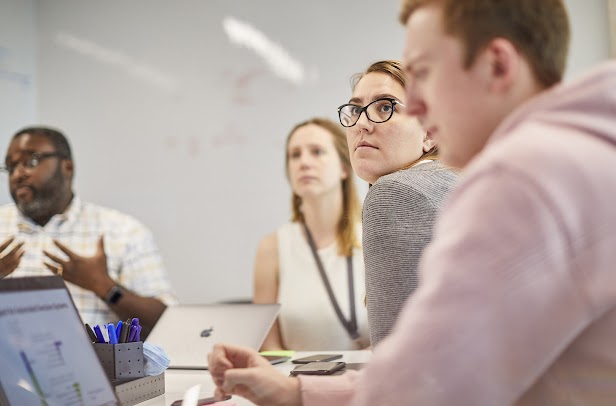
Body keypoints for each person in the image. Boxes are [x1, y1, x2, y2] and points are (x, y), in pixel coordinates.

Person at [208, 0, 616, 405]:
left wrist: (297, 395)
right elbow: (442, 365)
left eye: (425, 73)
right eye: (355, 109)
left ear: (497, 65)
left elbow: (418, 391)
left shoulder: (499, 182)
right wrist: (295, 389)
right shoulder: (584, 154)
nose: (419, 104)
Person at [0, 126, 177, 337]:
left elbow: (168, 322)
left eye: (31, 161)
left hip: (95, 368)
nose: (18, 174)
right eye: (11, 166)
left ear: (67, 166)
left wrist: (105, 287)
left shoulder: (122, 231)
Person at [341, 59, 458, 346]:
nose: (362, 124)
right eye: (356, 110)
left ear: (430, 133)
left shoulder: (394, 194)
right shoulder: (454, 183)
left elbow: (395, 367)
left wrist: (299, 391)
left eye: (385, 106)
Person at [253, 117, 370, 351]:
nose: (304, 162)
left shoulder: (373, 239)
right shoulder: (272, 248)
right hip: (295, 383)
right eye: (295, 155)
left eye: (317, 152)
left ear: (344, 168)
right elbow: (269, 347)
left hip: (367, 380)